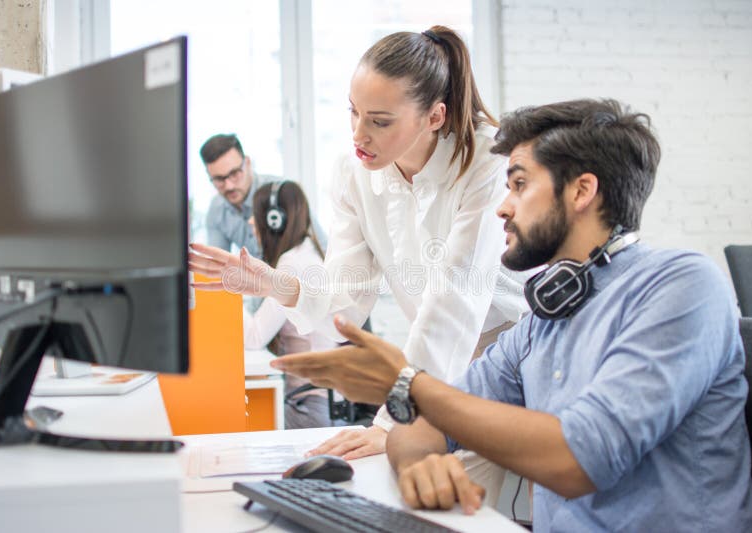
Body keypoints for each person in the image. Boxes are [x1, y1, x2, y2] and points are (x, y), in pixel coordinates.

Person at [269, 99, 752, 531]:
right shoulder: (544, 319)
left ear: (581, 191)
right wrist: (419, 464)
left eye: (520, 185)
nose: (502, 208)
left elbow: (580, 459)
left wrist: (405, 383)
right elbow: (422, 425)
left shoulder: (681, 287)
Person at [189, 26, 530, 461]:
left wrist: (392, 423)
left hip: (511, 353)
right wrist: (275, 284)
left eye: (379, 121)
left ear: (435, 116)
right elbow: (346, 298)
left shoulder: (485, 161)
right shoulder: (355, 174)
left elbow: (455, 304)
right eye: (354, 112)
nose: (358, 135)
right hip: (436, 361)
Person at [242, 180, 340, 429]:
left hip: (308, 407)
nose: (252, 223)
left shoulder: (292, 264)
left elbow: (254, 336)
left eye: (256, 216)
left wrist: (232, 293)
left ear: (275, 221)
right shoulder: (308, 253)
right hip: (318, 401)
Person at [199, 134, 327, 257]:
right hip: (257, 278)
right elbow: (218, 265)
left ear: (247, 163)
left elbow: (322, 248)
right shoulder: (216, 210)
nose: (229, 186)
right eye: (219, 179)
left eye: (234, 173)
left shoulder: (280, 193)